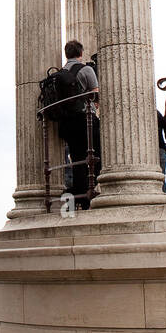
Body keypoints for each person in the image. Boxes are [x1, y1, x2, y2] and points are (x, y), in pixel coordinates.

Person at [57, 40, 101, 209]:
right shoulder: (86, 69)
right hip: (85, 119)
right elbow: (95, 95)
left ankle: (81, 196)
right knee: (96, 153)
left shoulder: (61, 73)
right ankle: (93, 191)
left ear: (66, 54)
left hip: (67, 123)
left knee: (76, 159)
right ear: (81, 53)